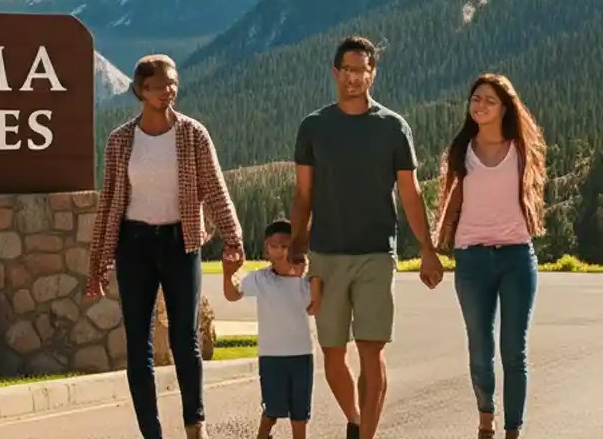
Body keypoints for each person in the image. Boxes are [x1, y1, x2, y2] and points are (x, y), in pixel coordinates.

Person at [287, 36, 445, 439]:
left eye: (362, 70)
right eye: (347, 70)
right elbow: (304, 193)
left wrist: (428, 250)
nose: (354, 78)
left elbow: (410, 194)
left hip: (376, 253)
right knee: (332, 353)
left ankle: (366, 434)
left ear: (372, 73)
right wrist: (296, 244)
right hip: (325, 254)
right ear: (335, 72)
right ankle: (357, 420)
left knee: (371, 350)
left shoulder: (393, 127)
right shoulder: (314, 126)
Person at [86, 53, 245, 439]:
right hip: (134, 245)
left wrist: (233, 236)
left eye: (172, 83)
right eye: (158, 86)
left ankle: (196, 427)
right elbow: (110, 203)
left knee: (184, 339)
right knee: (138, 343)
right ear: (141, 90)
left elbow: (215, 187)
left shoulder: (193, 134)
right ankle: (151, 433)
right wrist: (99, 262)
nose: (167, 91)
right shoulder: (122, 140)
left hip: (181, 242)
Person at [433, 73, 546, 439]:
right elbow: (453, 198)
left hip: (517, 258)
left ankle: (513, 429)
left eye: (489, 100)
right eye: (475, 98)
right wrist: (435, 246)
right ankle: (486, 415)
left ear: (505, 107)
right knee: (480, 348)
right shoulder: (462, 149)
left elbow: (530, 192)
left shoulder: (521, 148)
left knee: (514, 351)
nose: (479, 105)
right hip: (472, 260)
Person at [224, 219, 320, 439]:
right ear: (266, 248)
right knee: (272, 410)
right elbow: (232, 294)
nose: (279, 252)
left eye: (285, 246)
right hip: (271, 356)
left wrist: (309, 272)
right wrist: (227, 273)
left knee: (299, 414)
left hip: (301, 355)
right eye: (273, 246)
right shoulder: (260, 279)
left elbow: (315, 308)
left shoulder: (307, 281)